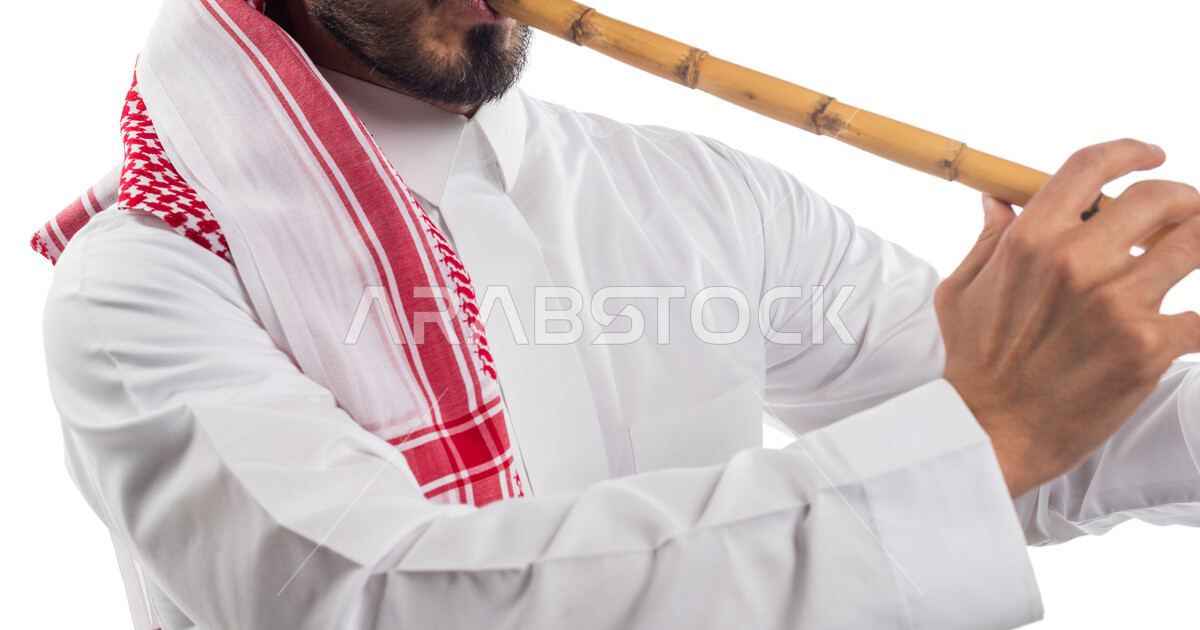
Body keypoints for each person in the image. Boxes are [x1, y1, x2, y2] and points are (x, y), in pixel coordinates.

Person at [35, 0, 1200, 628]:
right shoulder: (142, 287)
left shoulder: (694, 191)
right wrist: (983, 438)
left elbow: (1060, 424)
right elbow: (372, 600)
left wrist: (1038, 391)